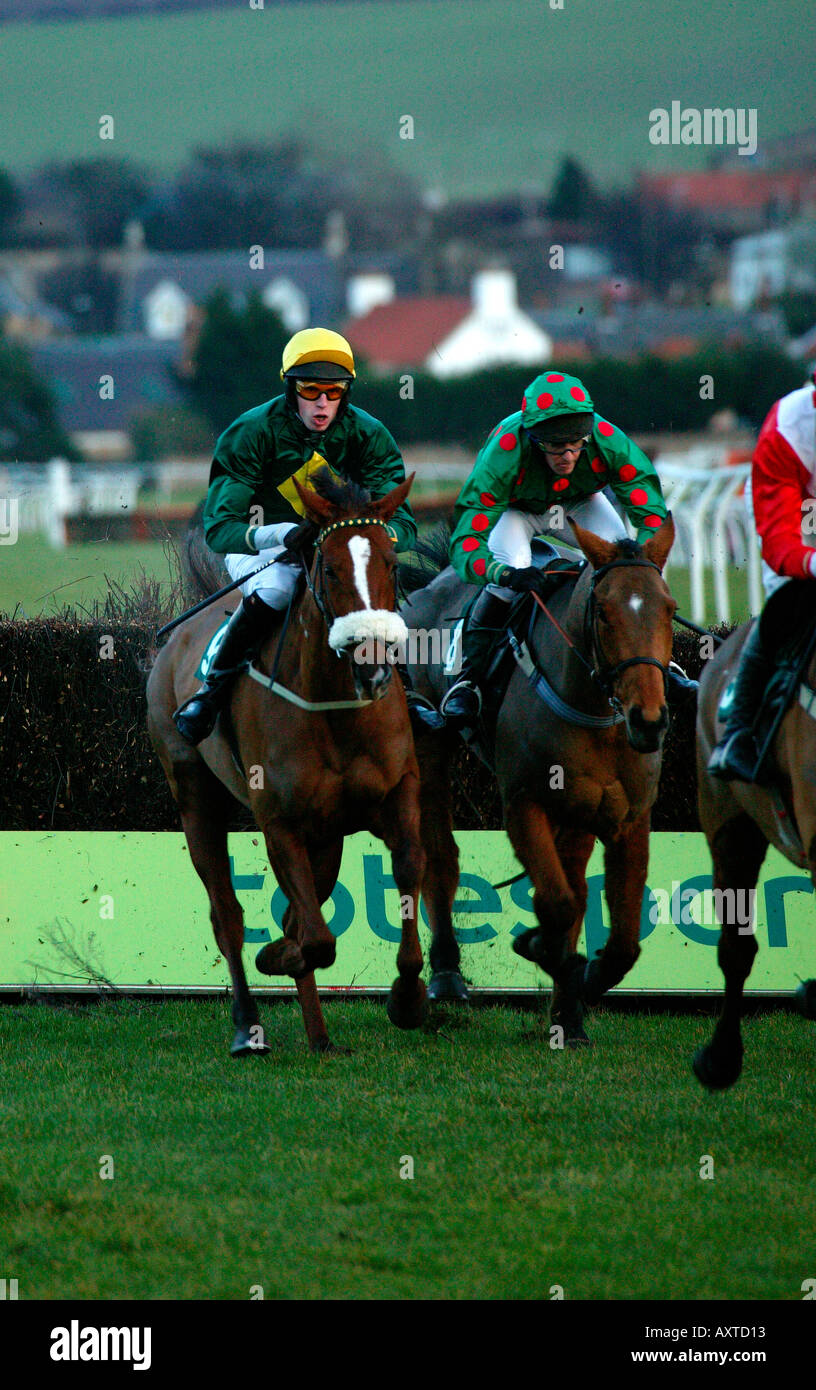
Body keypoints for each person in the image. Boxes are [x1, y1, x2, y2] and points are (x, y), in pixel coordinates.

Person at [173, 327, 417, 745]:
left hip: (340, 549)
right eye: (310, 389)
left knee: (374, 592)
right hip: (265, 550)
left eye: (334, 391)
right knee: (280, 588)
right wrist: (280, 535)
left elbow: (405, 527)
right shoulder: (252, 432)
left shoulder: (370, 434)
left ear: (347, 392)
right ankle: (210, 692)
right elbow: (219, 529)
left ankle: (410, 694)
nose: (322, 402)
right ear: (290, 387)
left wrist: (364, 541)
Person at [440, 369, 683, 725]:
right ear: (533, 437)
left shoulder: (608, 440)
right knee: (511, 568)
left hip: (579, 502)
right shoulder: (503, 453)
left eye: (576, 443)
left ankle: (661, 664)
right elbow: (465, 542)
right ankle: (468, 679)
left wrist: (641, 565)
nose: (568, 456)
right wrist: (503, 573)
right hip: (516, 511)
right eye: (555, 445)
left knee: (629, 571)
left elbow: (653, 517)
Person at [708, 374, 816, 781]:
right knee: (789, 602)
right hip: (797, 524)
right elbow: (781, 547)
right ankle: (738, 733)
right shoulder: (787, 429)